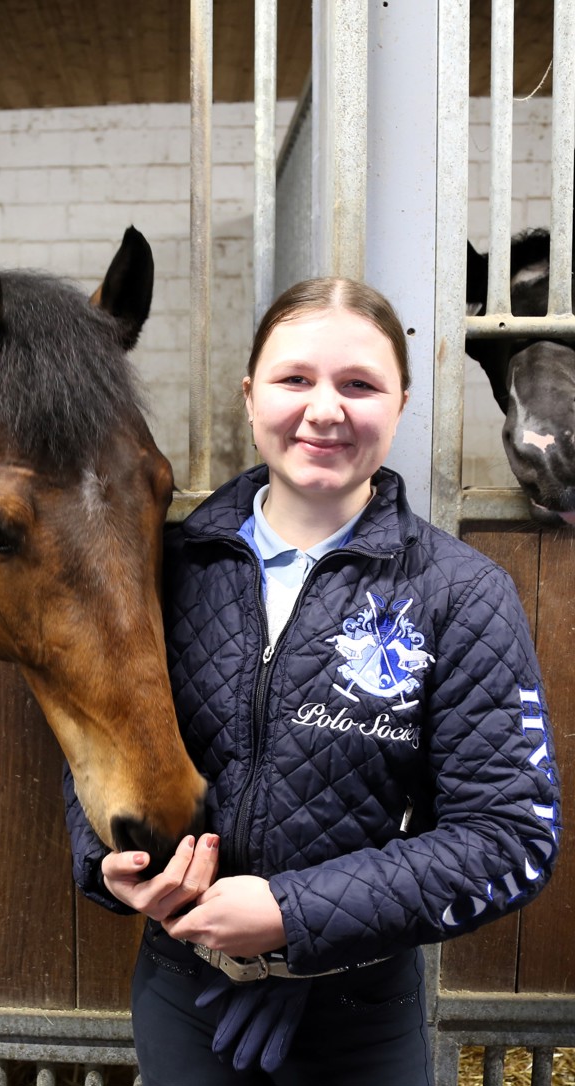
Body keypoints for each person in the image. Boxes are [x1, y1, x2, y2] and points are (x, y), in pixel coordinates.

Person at [64, 277, 561, 1085]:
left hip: (358, 1016)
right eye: (295, 379)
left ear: (400, 401)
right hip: (184, 991)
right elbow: (96, 726)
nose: (324, 409)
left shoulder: (459, 594)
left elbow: (510, 837)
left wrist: (293, 921)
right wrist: (107, 863)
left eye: (359, 384)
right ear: (250, 394)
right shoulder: (162, 570)